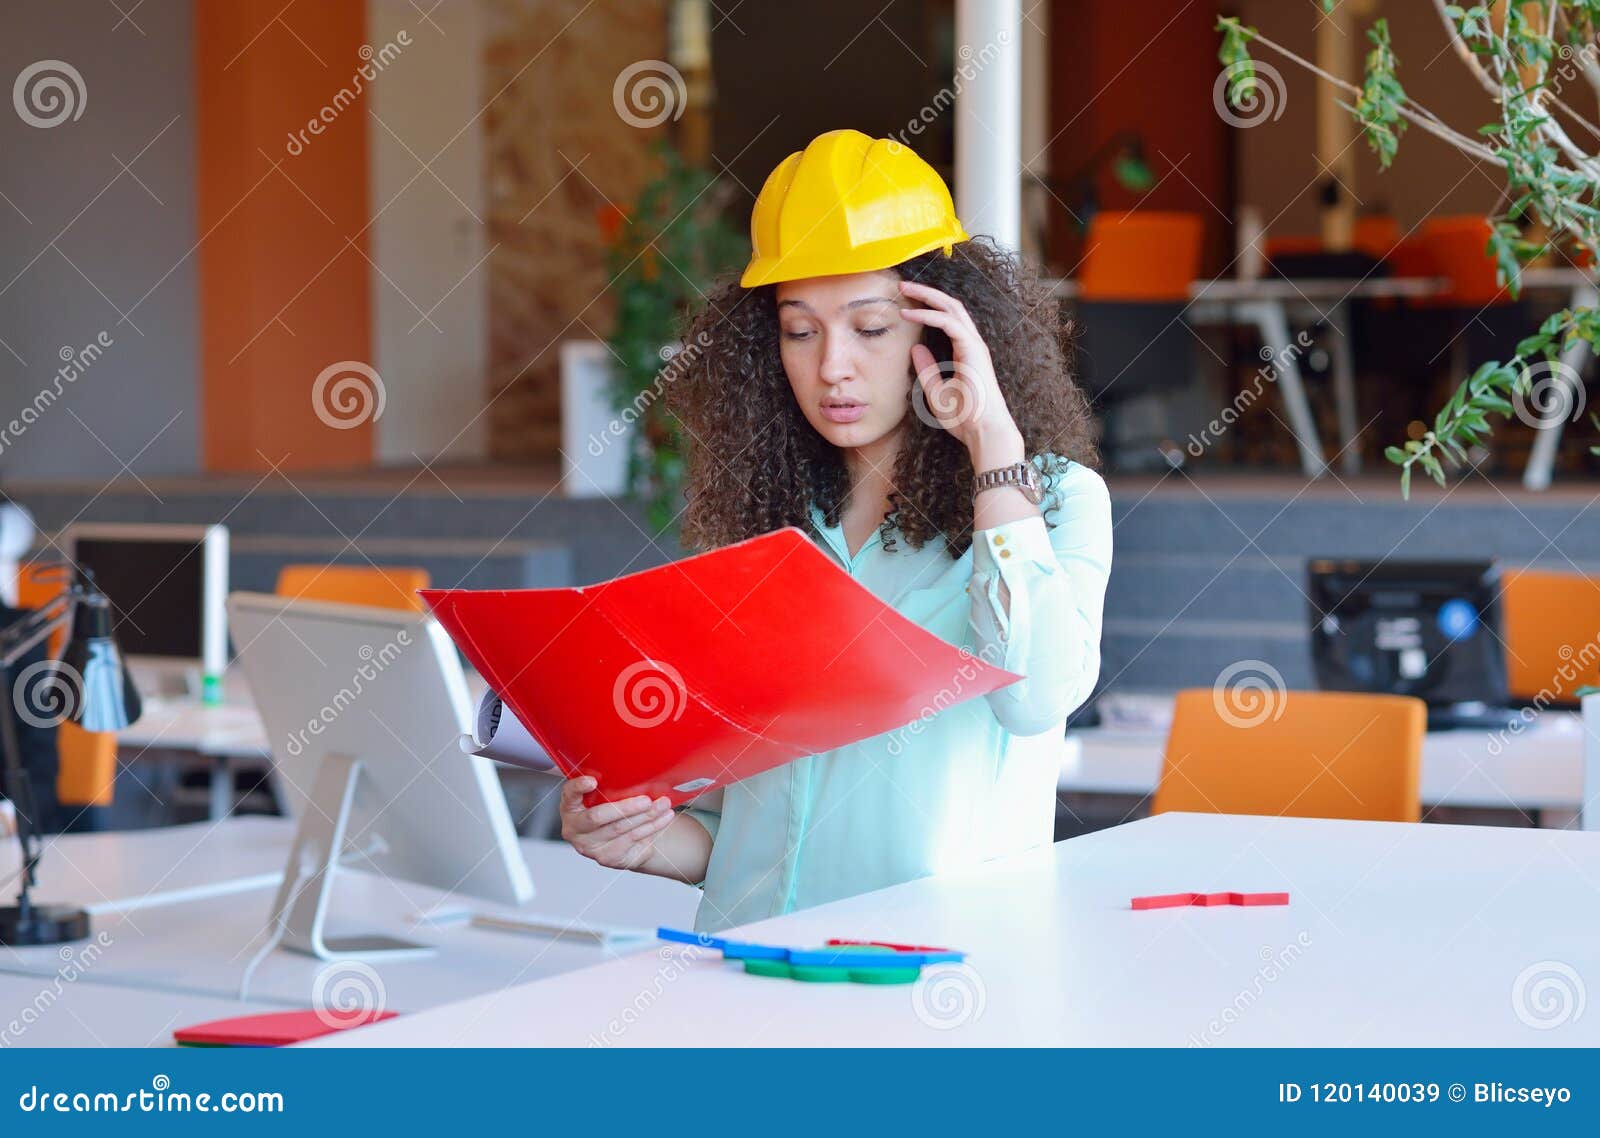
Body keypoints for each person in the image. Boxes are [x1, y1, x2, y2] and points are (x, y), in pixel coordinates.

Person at [560, 129, 1112, 932]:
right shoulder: (768, 520)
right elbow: (738, 841)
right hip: (747, 978)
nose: (833, 367)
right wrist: (635, 840)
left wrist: (995, 446)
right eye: (800, 329)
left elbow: (1037, 699)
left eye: (872, 327)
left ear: (947, 330)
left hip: (930, 988)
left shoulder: (1056, 503)